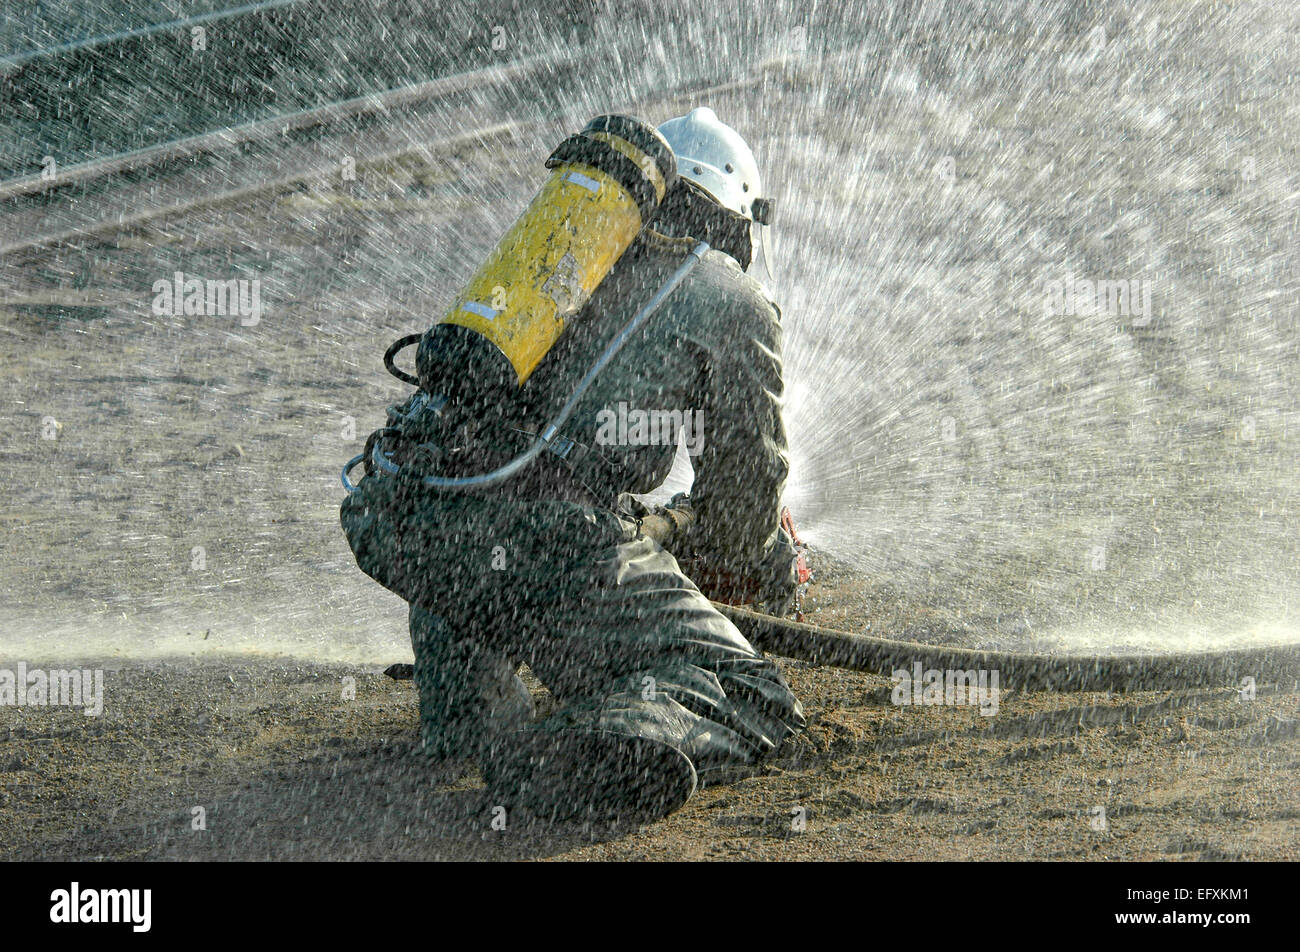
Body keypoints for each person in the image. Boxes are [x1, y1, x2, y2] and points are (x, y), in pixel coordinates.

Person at [341, 107, 805, 824]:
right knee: (747, 689)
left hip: (402, 515)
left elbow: (492, 435)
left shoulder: (561, 251)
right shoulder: (731, 298)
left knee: (495, 543)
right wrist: (767, 557)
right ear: (738, 218)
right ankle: (562, 755)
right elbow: (742, 525)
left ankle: (466, 719)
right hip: (539, 544)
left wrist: (655, 526)